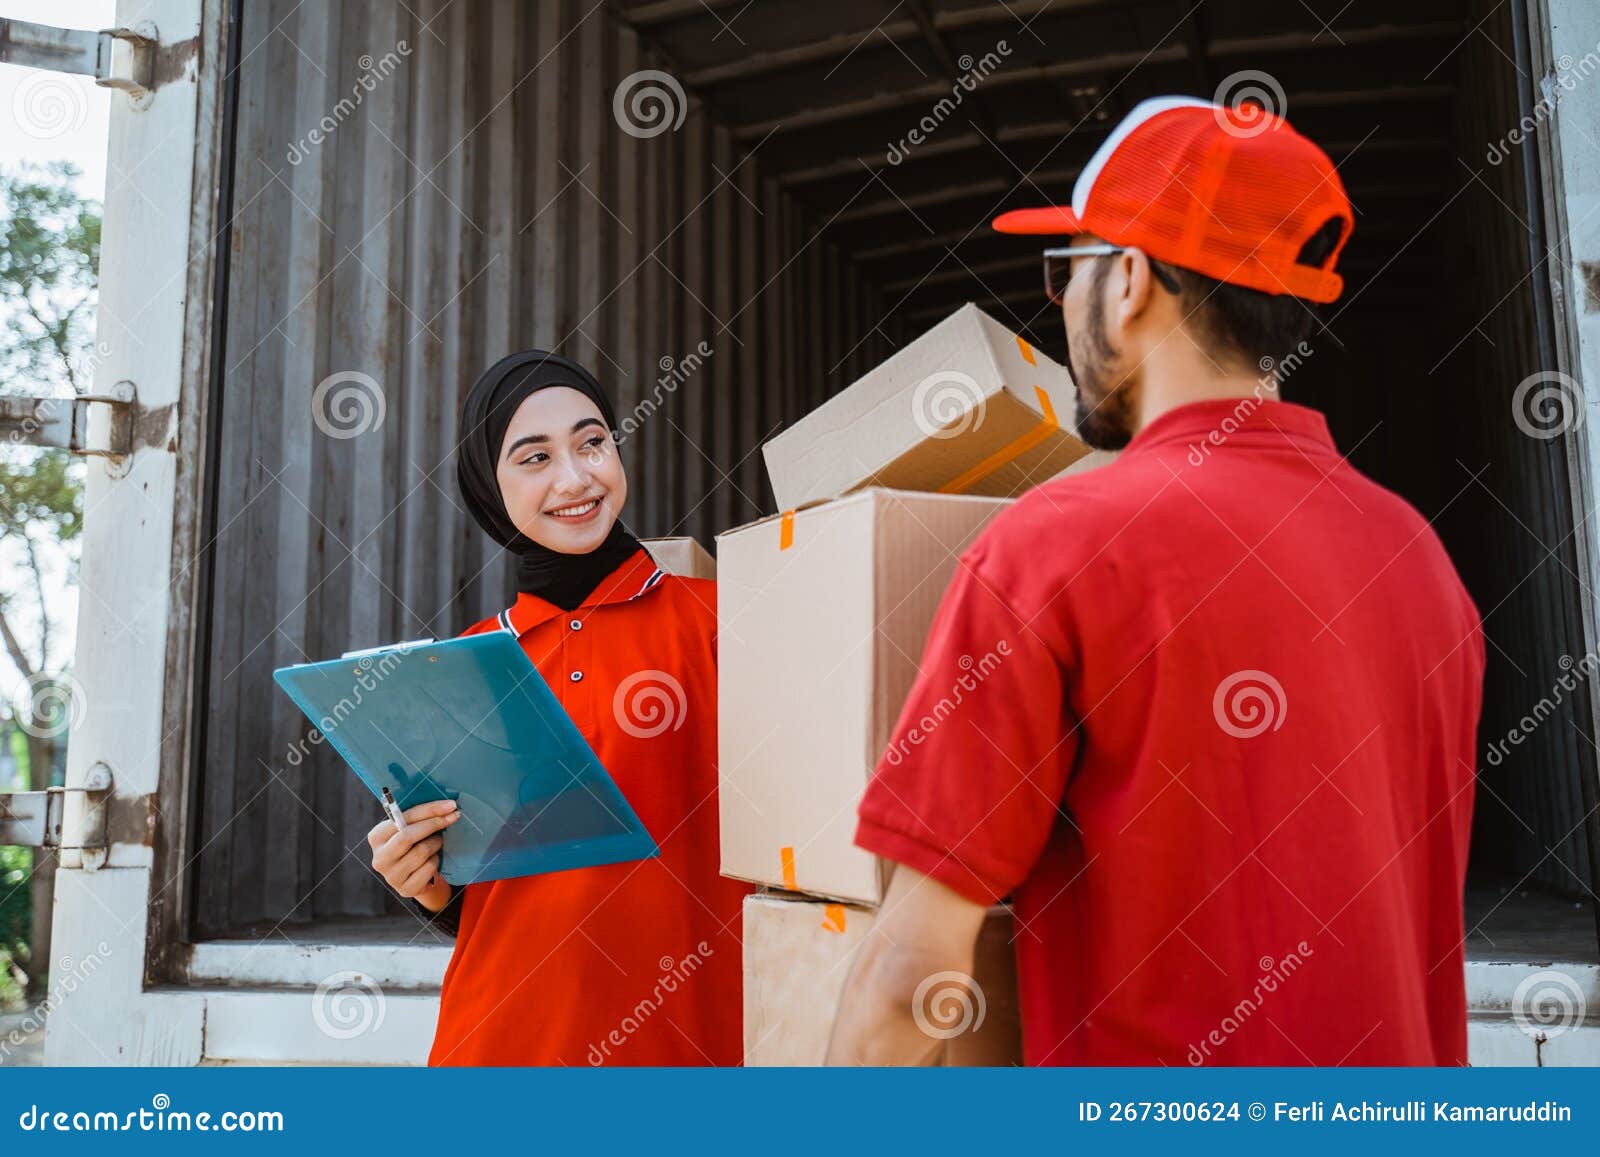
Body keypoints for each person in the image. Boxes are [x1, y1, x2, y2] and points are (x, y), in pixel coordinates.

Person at [825, 97, 1485, 1066]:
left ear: (1130, 280)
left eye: (1067, 269)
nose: (1056, 300)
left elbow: (910, 981)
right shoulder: (1418, 557)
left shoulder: (1054, 544)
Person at [365, 349, 749, 1066]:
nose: (575, 478)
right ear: (490, 487)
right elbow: (481, 894)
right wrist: (422, 882)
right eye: (534, 457)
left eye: (592, 441)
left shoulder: (724, 622)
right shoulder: (465, 664)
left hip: (685, 1053)